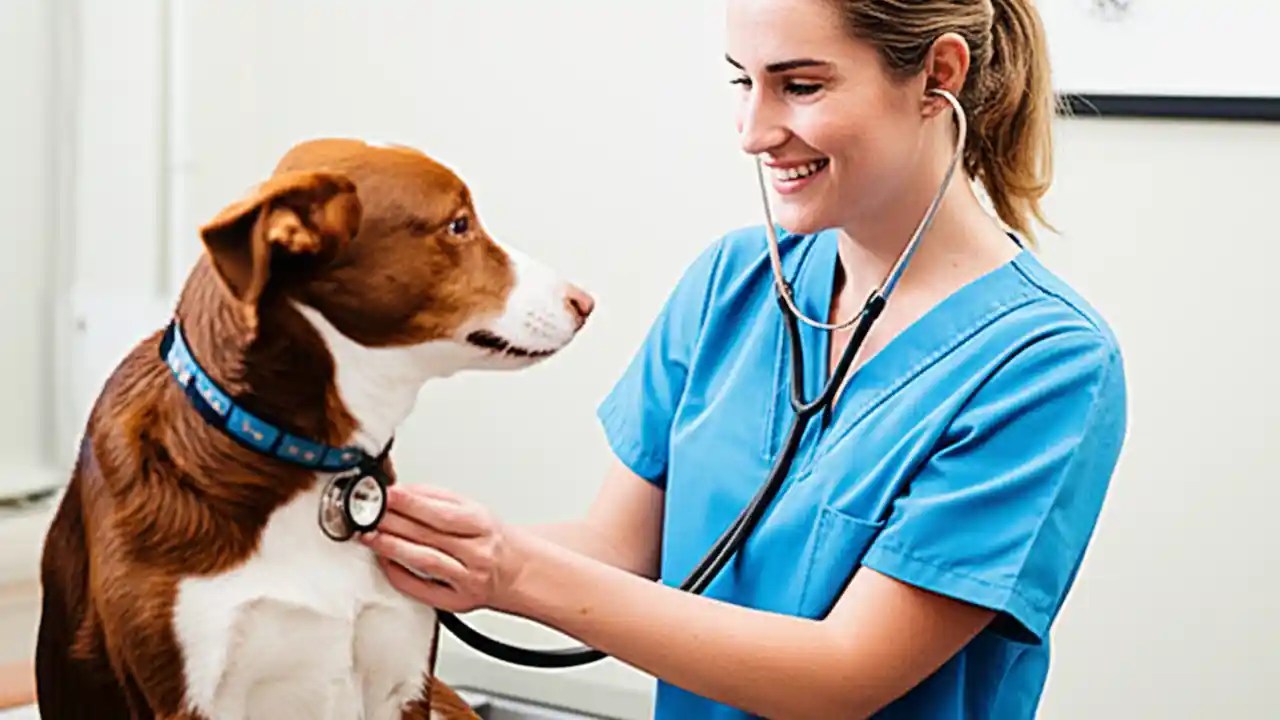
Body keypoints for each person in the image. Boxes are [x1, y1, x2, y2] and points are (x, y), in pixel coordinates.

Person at [360, 0, 1128, 717]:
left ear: (939, 76)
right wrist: (387, 540)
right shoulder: (734, 282)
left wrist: (512, 569)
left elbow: (845, 673)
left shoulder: (1045, 364)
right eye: (743, 82)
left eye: (799, 85)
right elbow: (616, 547)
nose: (754, 131)